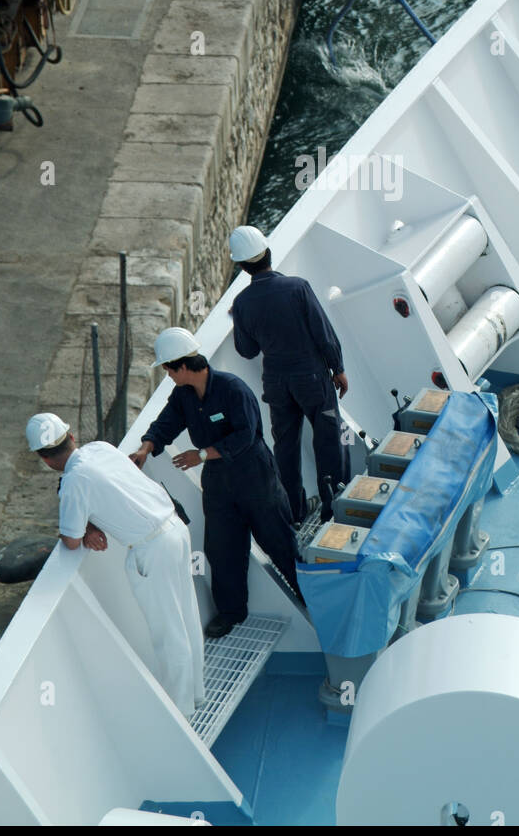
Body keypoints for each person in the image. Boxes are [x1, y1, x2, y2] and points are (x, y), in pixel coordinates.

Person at [26, 412, 205, 718]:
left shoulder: (72, 483)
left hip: (152, 549)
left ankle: (181, 712)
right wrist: (91, 523)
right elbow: (112, 488)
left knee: (167, 633)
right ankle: (197, 694)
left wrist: (86, 530)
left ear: (44, 459)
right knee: (187, 616)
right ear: (71, 438)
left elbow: (70, 540)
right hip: (175, 529)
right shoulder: (101, 448)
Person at [130, 328, 301, 640]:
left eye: (168, 369)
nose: (167, 375)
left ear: (182, 367)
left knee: (279, 541)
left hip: (254, 476)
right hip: (219, 482)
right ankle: (231, 612)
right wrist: (146, 447)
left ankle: (308, 596)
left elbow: (246, 435)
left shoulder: (233, 389)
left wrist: (202, 454)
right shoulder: (183, 395)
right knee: (221, 549)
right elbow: (166, 422)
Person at [228, 226, 350, 525]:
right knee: (327, 440)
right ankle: (332, 507)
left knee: (285, 447)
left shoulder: (242, 304)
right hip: (312, 379)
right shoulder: (297, 287)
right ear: (268, 253)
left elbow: (247, 351)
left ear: (242, 267)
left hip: (276, 384)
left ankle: (294, 512)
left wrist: (240, 320)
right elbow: (323, 333)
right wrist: (339, 368)